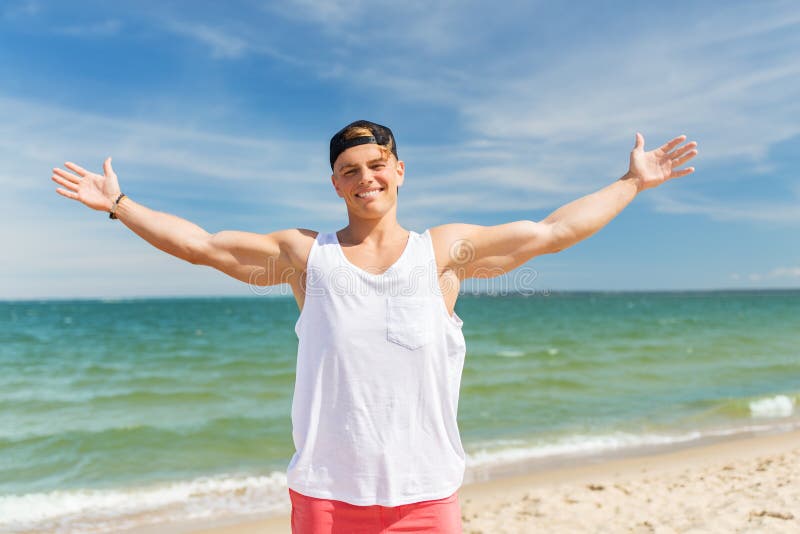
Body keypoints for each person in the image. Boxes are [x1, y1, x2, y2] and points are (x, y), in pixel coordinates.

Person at [52, 120, 697, 533]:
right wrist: (119, 205)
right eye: (351, 170)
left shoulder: (444, 252)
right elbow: (205, 245)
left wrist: (630, 184)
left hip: (426, 497)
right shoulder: (306, 256)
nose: (367, 177)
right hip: (328, 498)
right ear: (336, 184)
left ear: (400, 171)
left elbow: (551, 232)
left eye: (378, 163)